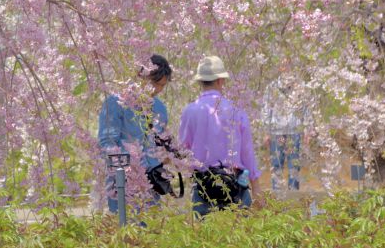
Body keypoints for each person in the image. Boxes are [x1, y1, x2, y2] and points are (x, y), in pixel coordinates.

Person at [178, 55, 261, 216]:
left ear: (200, 82)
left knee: (204, 238)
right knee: (238, 236)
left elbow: (183, 150)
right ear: (220, 80)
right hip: (235, 185)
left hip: (203, 186)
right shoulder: (236, 111)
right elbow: (247, 152)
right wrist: (256, 185)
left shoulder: (190, 111)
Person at [97, 54, 176, 213]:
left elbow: (161, 140)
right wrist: (131, 167)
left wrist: (167, 155)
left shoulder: (159, 107)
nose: (157, 90)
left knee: (152, 232)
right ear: (140, 77)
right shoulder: (116, 102)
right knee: (127, 230)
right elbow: (107, 143)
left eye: (162, 86)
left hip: (152, 183)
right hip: (124, 183)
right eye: (155, 84)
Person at [262, 74, 306, 191]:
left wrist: (307, 129)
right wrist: (266, 131)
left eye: (288, 64)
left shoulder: (299, 87)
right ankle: (277, 194)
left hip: (294, 132)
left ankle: (293, 194)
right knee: (276, 164)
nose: (286, 68)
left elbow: (305, 108)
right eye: (283, 65)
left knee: (294, 164)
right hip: (277, 133)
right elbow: (266, 108)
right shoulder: (272, 87)